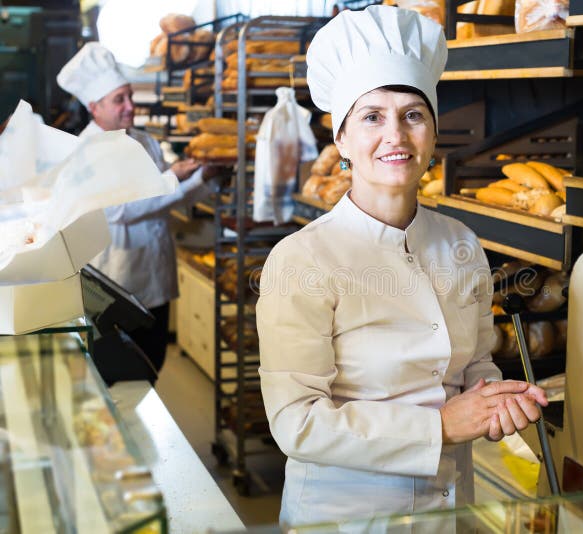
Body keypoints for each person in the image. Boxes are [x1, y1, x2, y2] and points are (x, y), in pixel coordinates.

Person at [257, 5, 548, 528]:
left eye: (413, 115)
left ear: (432, 134)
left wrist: (494, 398)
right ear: (341, 139)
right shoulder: (301, 260)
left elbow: (475, 362)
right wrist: (440, 427)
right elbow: (296, 422)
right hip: (347, 516)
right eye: (372, 116)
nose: (395, 134)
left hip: (450, 507)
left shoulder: (461, 243)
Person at [57, 42, 218, 373]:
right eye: (120, 100)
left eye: (130, 96)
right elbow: (120, 212)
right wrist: (172, 178)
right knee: (120, 371)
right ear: (94, 106)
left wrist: (203, 179)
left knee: (153, 361)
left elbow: (165, 204)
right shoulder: (85, 151)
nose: (131, 106)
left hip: (156, 273)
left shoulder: (145, 141)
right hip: (119, 280)